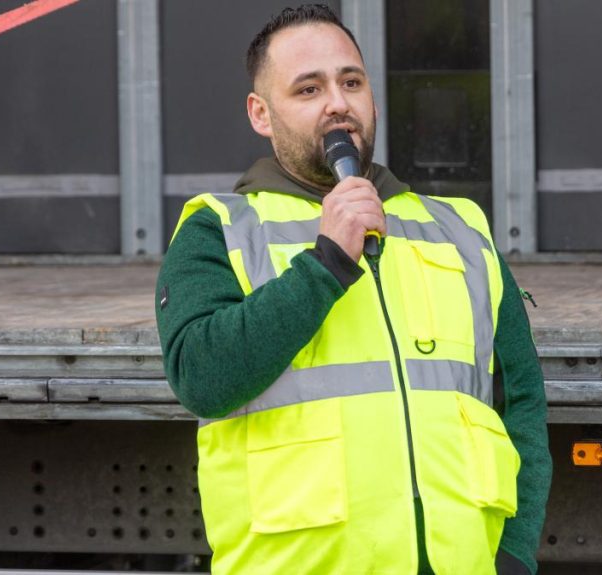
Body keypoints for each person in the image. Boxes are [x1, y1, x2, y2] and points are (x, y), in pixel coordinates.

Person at [155, 4, 551, 574]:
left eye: (351, 82)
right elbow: (202, 378)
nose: (338, 103)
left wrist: (515, 552)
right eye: (308, 88)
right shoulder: (218, 228)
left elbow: (522, 405)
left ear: (372, 99)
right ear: (261, 114)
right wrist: (327, 262)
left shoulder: (459, 228)